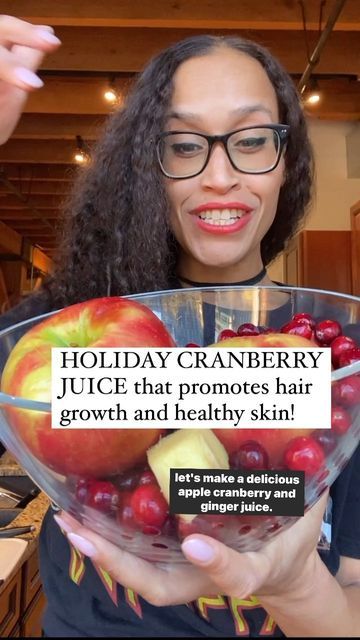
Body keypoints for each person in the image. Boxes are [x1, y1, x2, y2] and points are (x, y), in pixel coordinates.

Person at [0, 15, 359, 638]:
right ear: (147, 166)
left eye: (251, 140)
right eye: (184, 145)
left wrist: (293, 586)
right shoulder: (54, 329)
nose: (220, 177)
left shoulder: (340, 358)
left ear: (285, 161)